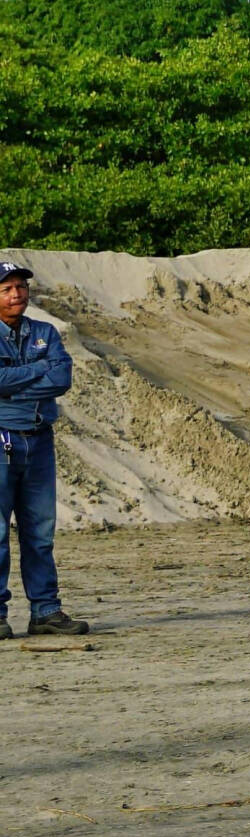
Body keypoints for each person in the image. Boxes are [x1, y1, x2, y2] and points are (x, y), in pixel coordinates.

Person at [0, 260, 83, 639]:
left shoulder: (44, 332)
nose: (16, 294)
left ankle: (45, 611)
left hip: (39, 441)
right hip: (2, 440)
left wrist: (12, 386)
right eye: (6, 289)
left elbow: (62, 378)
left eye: (20, 287)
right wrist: (38, 370)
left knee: (40, 531)